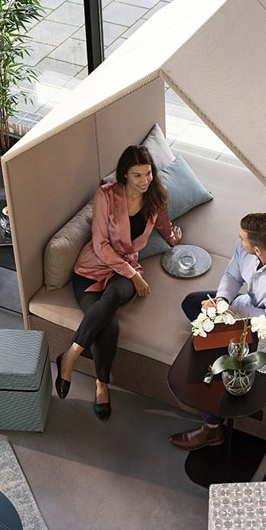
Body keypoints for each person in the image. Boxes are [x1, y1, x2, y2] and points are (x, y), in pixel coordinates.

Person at [55, 145, 182, 420]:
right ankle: (101, 383)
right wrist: (134, 275)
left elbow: (163, 223)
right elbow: (100, 245)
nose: (145, 181)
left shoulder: (157, 194)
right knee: (108, 322)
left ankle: (70, 356)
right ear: (124, 174)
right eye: (137, 175)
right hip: (92, 267)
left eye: (148, 173)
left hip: (123, 273)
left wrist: (173, 239)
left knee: (112, 298)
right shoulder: (106, 195)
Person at [169, 211, 266, 450]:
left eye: (242, 238)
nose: (238, 239)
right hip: (247, 307)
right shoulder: (246, 250)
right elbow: (232, 275)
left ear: (257, 249)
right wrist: (221, 301)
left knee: (230, 360)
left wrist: (228, 312)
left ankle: (211, 430)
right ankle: (219, 343)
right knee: (192, 303)